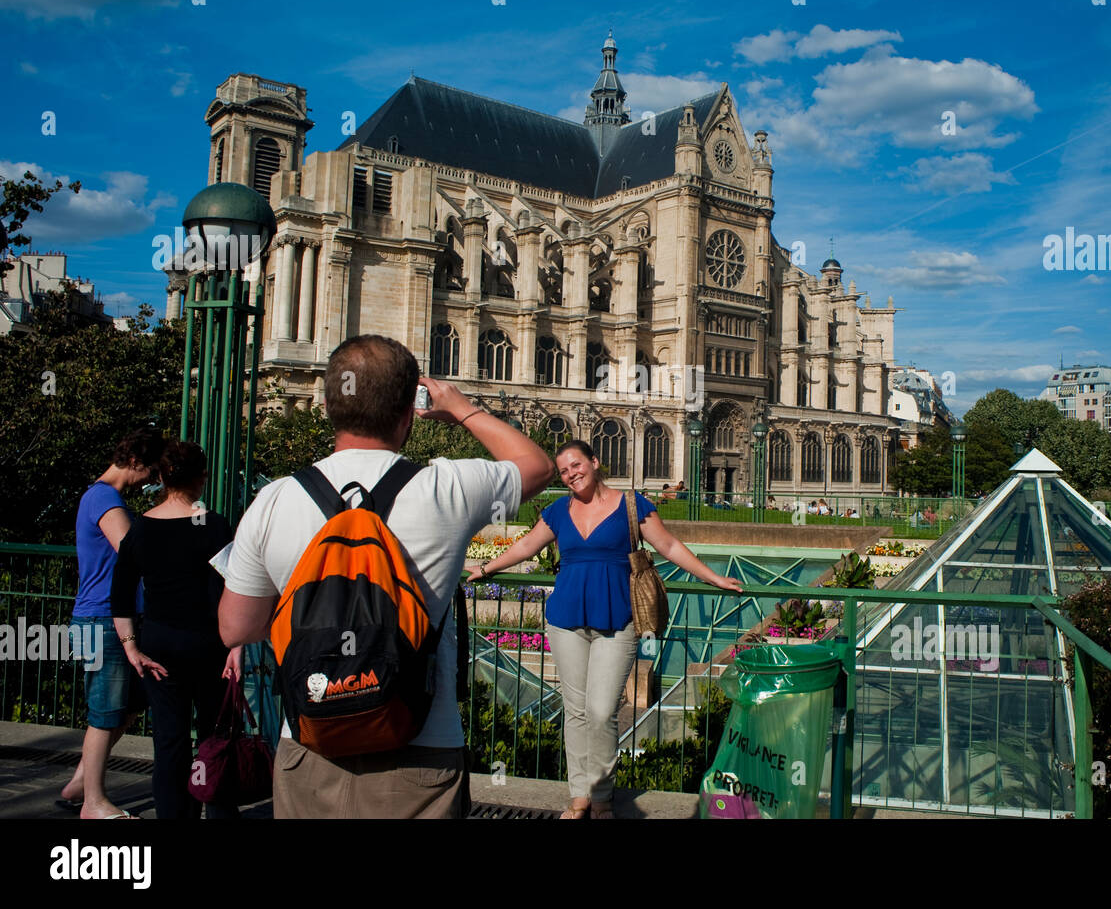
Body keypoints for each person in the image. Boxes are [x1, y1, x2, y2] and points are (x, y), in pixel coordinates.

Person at [218, 335, 553, 818]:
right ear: (406, 413)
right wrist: (460, 407)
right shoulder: (445, 486)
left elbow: (235, 628)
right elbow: (538, 466)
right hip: (419, 747)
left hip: (310, 739)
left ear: (330, 406)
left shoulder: (274, 500)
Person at [472, 440, 742, 819]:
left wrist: (713, 577)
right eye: (564, 470)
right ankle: (580, 796)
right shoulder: (557, 511)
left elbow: (668, 545)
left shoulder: (631, 505)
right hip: (565, 620)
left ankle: (602, 795)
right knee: (575, 711)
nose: (571, 474)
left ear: (595, 462)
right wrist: (484, 569)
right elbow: (527, 547)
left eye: (576, 465)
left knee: (601, 712)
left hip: (619, 621)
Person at [110, 440, 241, 819]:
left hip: (159, 645)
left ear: (163, 478)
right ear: (202, 477)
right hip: (210, 645)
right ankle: (218, 810)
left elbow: (120, 597)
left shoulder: (141, 529)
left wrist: (133, 650)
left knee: (169, 743)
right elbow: (236, 587)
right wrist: (237, 647)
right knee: (215, 738)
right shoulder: (212, 525)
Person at [63, 426, 164, 819]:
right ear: (135, 461)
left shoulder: (104, 496)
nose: (150, 482)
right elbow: (130, 549)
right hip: (102, 618)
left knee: (126, 708)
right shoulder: (104, 498)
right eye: (150, 472)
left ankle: (79, 784)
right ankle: (94, 802)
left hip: (108, 617)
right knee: (106, 714)